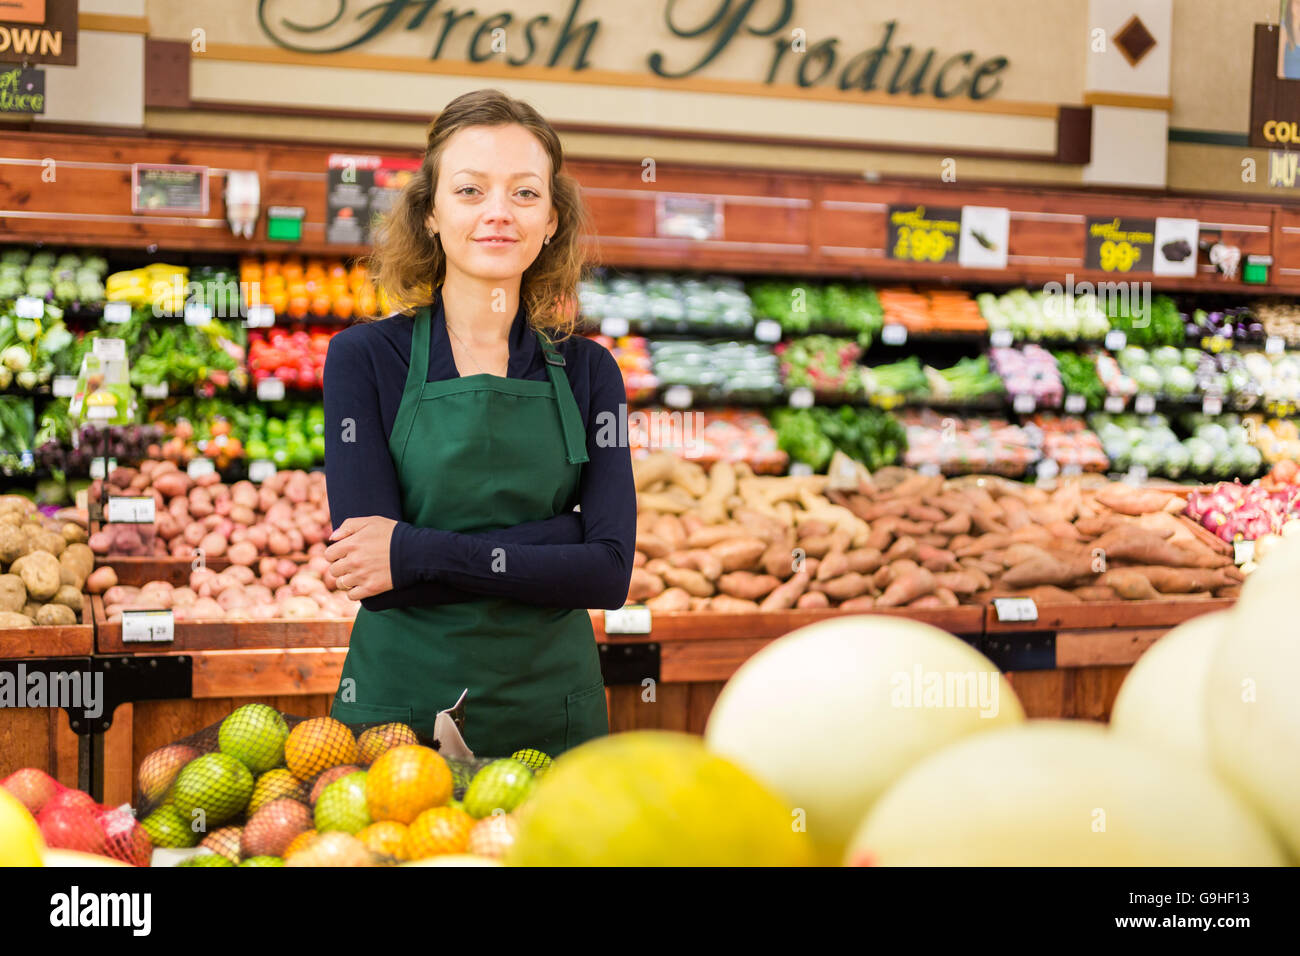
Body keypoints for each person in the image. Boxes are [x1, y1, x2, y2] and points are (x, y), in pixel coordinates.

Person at [322, 89, 636, 758]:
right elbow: (371, 582)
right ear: (431, 214)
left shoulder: (590, 372)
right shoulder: (365, 359)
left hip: (552, 710)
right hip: (401, 714)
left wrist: (412, 550)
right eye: (470, 191)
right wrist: (561, 540)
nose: (499, 213)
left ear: (553, 219)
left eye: (525, 194)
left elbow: (607, 573)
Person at [1280, 0, 1300, 79]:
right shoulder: (1283, 28)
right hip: (1287, 84)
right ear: (1290, 5)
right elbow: (1279, 70)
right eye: (1297, 3)